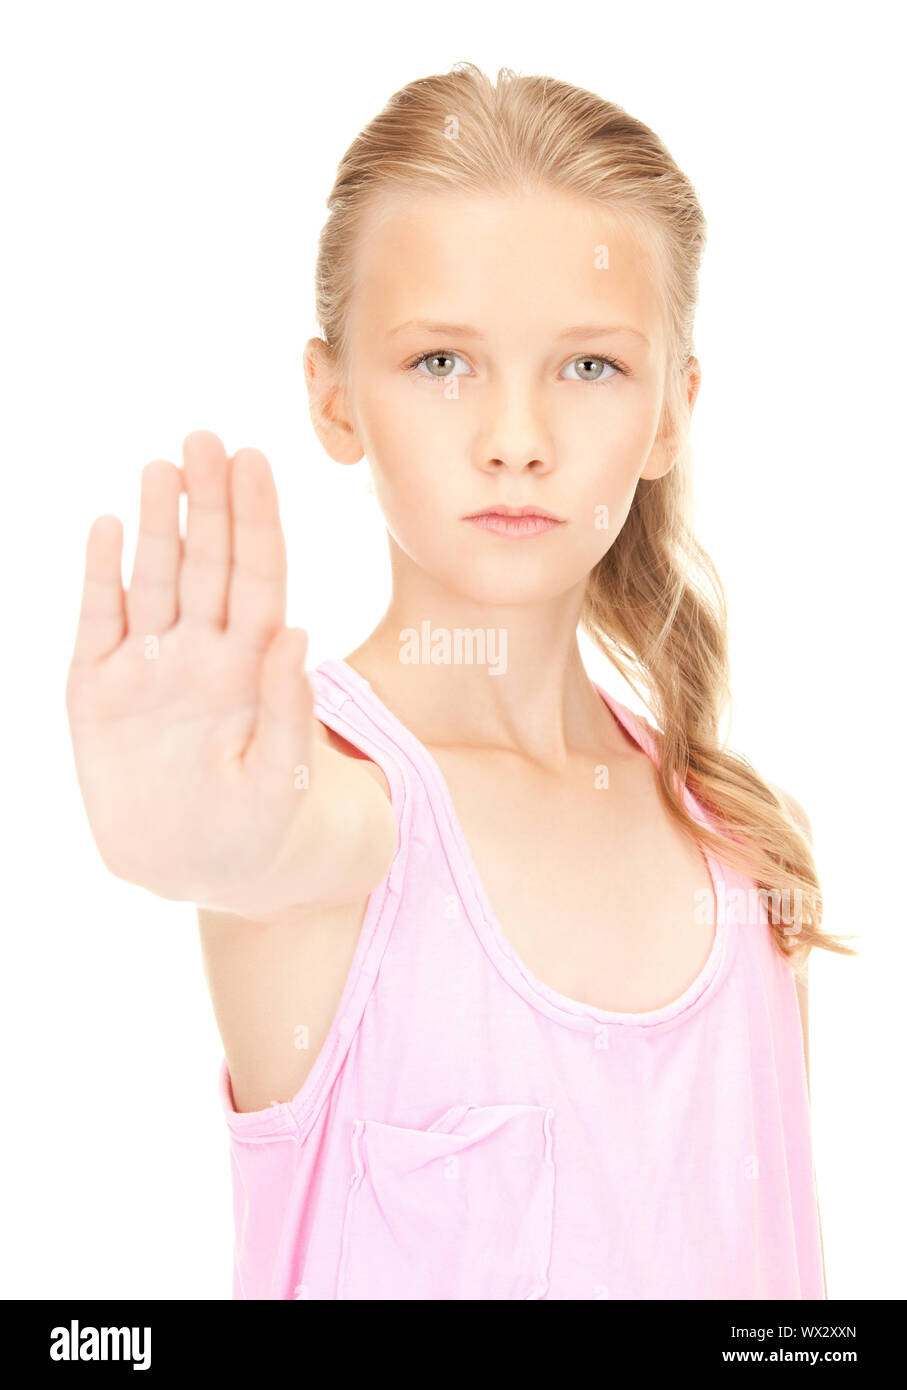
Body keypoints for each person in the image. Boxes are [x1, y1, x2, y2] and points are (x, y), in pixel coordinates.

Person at [65, 62, 856, 1300]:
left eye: (588, 366)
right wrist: (199, 836)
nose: (515, 435)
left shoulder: (742, 846)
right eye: (441, 361)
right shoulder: (338, 804)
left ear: (669, 414)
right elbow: (267, 846)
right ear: (333, 398)